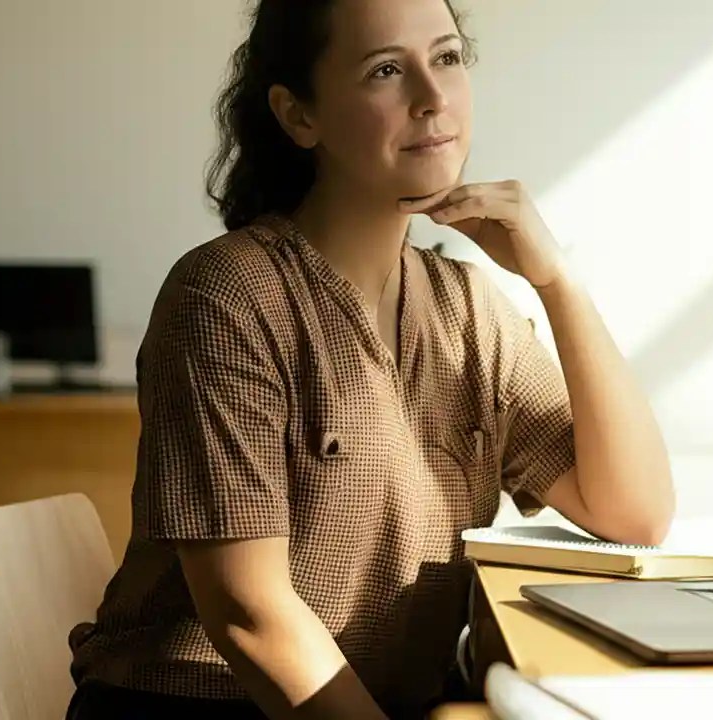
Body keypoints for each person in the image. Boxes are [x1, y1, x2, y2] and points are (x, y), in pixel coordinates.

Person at [64, 0, 675, 717]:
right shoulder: (227, 295)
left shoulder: (469, 308)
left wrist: (557, 282)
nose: (432, 96)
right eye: (386, 70)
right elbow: (249, 617)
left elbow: (634, 515)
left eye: (447, 57)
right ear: (299, 115)